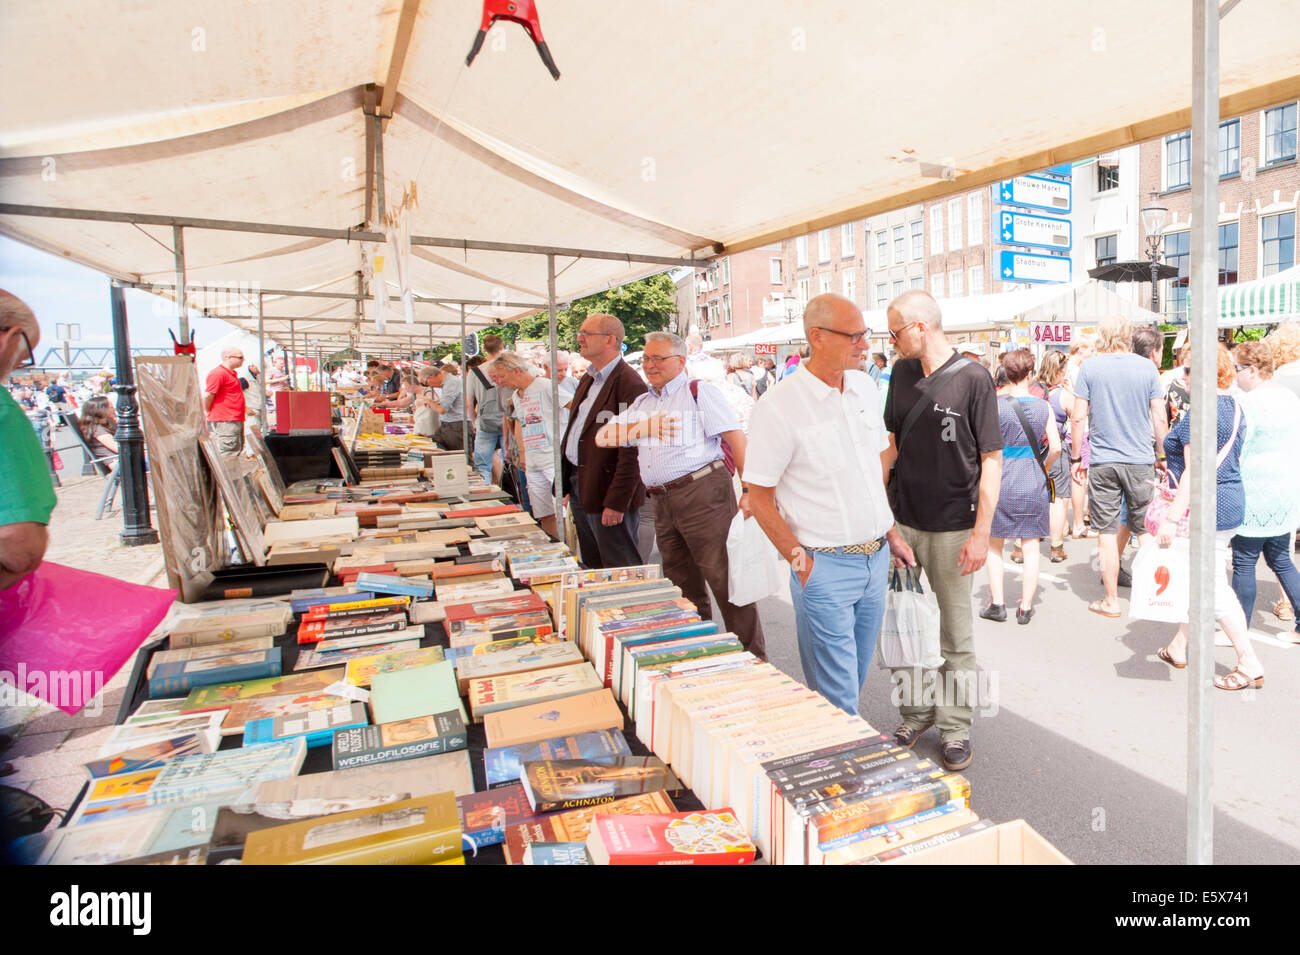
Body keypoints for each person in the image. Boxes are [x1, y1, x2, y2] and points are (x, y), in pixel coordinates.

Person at [746, 295, 913, 715]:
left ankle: (832, 762)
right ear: (816, 337)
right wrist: (803, 565)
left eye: (865, 334)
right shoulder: (779, 407)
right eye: (853, 335)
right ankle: (848, 774)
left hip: (874, 561)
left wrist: (890, 533)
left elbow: (873, 470)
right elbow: (759, 499)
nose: (864, 344)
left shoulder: (860, 386)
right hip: (824, 565)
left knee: (850, 681)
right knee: (839, 696)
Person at [881, 290, 1002, 772]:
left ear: (919, 327)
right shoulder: (901, 374)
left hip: (954, 527)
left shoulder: (974, 378)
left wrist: (980, 533)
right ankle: (916, 712)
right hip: (904, 523)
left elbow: (991, 460)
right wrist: (884, 520)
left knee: (955, 636)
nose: (890, 342)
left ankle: (955, 727)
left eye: (894, 332)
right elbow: (890, 448)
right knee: (906, 627)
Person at [596, 331, 766, 659]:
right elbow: (604, 437)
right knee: (681, 582)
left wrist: (748, 491)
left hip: (702, 493)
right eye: (646, 358)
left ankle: (752, 657)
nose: (650, 365)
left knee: (725, 579)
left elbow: (736, 438)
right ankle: (698, 652)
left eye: (658, 358)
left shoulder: (698, 391)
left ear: (680, 362)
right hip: (661, 500)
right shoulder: (645, 402)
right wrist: (641, 429)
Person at [1156, 344, 1260, 690]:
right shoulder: (1234, 407)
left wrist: (1171, 517)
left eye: (1187, 369)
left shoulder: (1200, 413)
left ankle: (1248, 662)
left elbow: (1194, 470)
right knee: (1199, 580)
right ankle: (1178, 645)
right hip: (1230, 498)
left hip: (1206, 506)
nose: (1183, 376)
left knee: (1212, 584)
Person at [1069, 318, 1168, 617]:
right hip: (1140, 459)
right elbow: (1159, 417)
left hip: (1103, 461)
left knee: (1107, 532)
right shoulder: (1147, 368)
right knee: (1146, 527)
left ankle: (1110, 601)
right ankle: (1155, 594)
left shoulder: (1090, 368)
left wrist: (1077, 458)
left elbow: (1077, 417)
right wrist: (1161, 454)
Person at [559, 313, 647, 569]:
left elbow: (633, 452)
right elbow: (575, 431)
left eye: (586, 333)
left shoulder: (629, 383)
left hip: (607, 490)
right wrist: (565, 480)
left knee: (619, 566)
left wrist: (617, 502)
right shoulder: (588, 378)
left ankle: (627, 609)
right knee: (594, 563)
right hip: (581, 482)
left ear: (609, 339)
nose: (579, 338)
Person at [980, 349, 1060, 624]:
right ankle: (1026, 607)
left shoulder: (994, 405)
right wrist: (1043, 466)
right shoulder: (1043, 406)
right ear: (1030, 373)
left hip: (999, 476)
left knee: (994, 543)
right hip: (1032, 477)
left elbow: (982, 447)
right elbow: (1057, 448)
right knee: (1030, 545)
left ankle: (998, 603)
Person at [1228, 340, 1300, 642]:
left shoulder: (1250, 402)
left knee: (1244, 560)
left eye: (1237, 369)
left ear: (1253, 370)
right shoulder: (1288, 396)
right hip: (1285, 488)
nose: (1234, 375)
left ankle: (1238, 629)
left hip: (1255, 488)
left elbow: (1238, 448)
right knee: (1280, 558)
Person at [0, 291, 56, 590]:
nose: (16, 367)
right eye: (23, 357)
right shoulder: (3, 411)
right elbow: (19, 544)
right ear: (10, 337)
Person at [493, 351, 558, 537]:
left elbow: (573, 407)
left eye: (502, 376)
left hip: (552, 458)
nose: (500, 381)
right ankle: (554, 548)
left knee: (561, 512)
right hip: (532, 462)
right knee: (544, 513)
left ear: (516, 371)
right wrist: (522, 453)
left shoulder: (545, 385)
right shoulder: (515, 396)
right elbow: (520, 423)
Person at [1034, 350, 1073, 562]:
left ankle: (1020, 545)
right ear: (1059, 371)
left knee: (1032, 494)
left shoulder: (1033, 390)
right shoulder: (1062, 395)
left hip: (1031, 449)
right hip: (1054, 447)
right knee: (1057, 497)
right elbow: (1079, 416)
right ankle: (1056, 547)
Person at [468, 334, 506, 483]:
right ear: (501, 347)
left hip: (484, 423)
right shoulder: (508, 368)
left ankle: (486, 492)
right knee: (508, 462)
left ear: (483, 349)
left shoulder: (475, 372)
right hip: (507, 421)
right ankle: (509, 492)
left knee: (482, 465)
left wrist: (473, 421)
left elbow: (469, 402)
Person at [204, 346, 246, 455]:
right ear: (228, 357)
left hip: (232, 418)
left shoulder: (230, 374)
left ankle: (232, 471)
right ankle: (228, 471)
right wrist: (209, 410)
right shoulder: (219, 373)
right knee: (229, 451)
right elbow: (208, 395)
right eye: (240, 357)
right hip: (226, 419)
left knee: (234, 449)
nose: (243, 360)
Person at [422, 363, 466, 451]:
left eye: (427, 383)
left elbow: (442, 409)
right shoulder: (448, 383)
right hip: (450, 425)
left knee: (459, 457)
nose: (430, 386)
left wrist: (429, 401)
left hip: (456, 426)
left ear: (430, 377)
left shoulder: (451, 382)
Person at [78, 395, 118, 464]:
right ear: (101, 410)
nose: (114, 409)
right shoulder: (97, 430)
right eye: (111, 407)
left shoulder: (106, 424)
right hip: (117, 463)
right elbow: (118, 448)